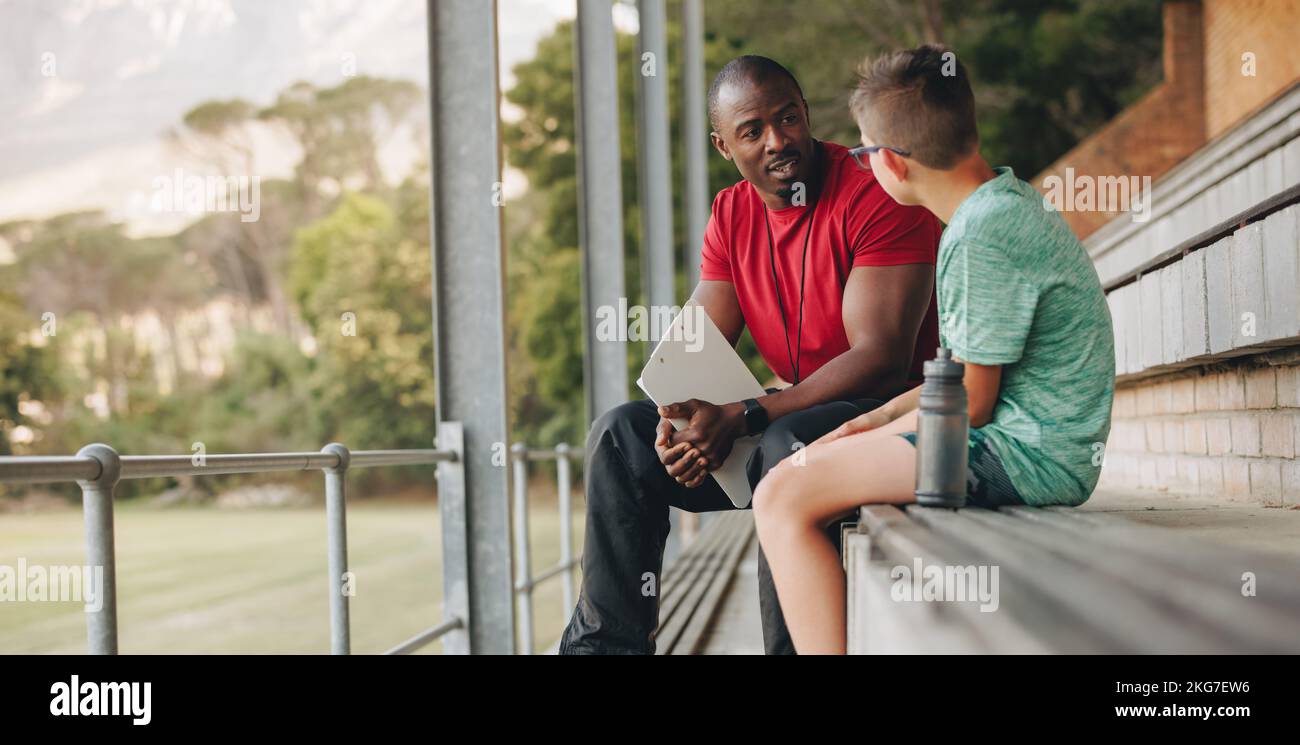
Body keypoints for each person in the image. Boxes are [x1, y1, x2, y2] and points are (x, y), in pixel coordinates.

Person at [558, 55, 942, 655]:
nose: (777, 140)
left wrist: (745, 413)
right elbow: (693, 355)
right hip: (787, 418)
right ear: (723, 145)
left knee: (788, 450)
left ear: (807, 114)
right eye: (752, 130)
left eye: (788, 118)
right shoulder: (731, 214)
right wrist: (676, 427)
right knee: (619, 439)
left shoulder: (875, 190)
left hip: (892, 422)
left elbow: (881, 359)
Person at [752, 45, 1116, 654]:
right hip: (1021, 443)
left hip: (1027, 457)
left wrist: (851, 443)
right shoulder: (998, 203)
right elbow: (960, 381)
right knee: (801, 471)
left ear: (891, 163)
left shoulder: (982, 235)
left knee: (782, 496)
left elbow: (970, 405)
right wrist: (866, 424)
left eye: (866, 154)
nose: (864, 167)